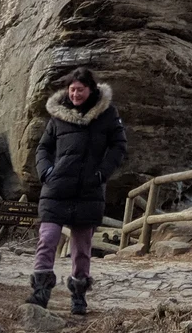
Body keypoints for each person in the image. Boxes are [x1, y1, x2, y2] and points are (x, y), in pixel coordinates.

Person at [29, 66, 126, 316]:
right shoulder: (58, 116)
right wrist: (46, 172)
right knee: (47, 239)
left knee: (81, 249)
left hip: (88, 191)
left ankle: (79, 296)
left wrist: (102, 173)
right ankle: (40, 292)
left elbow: (118, 146)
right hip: (57, 188)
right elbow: (43, 148)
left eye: (79, 90)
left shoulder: (107, 114)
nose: (75, 94)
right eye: (71, 89)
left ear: (90, 90)